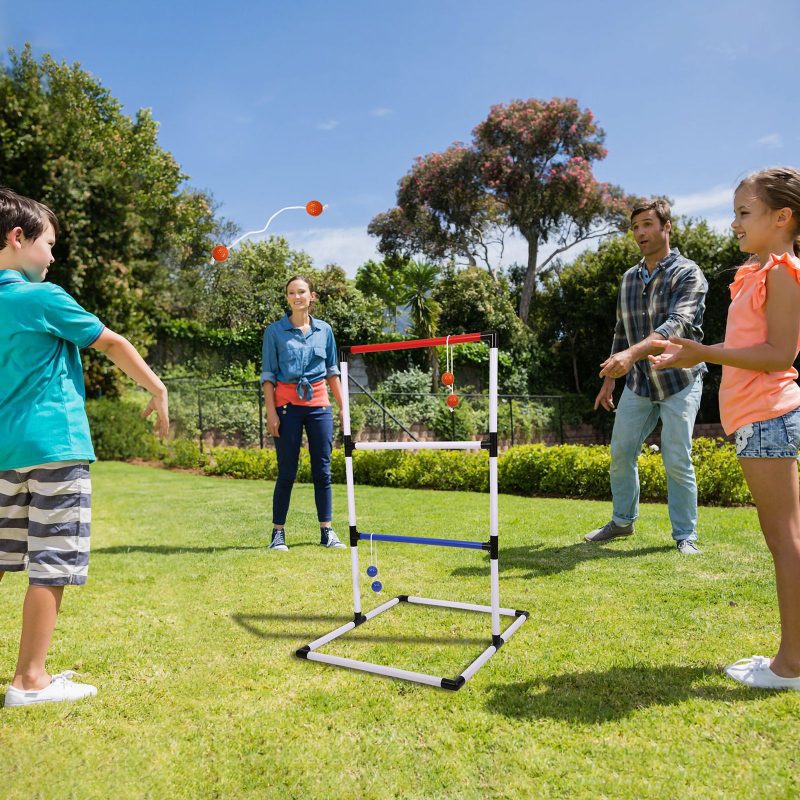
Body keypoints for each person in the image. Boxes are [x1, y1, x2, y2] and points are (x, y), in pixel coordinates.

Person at [0, 187, 169, 708]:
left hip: (4, 453)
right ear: (17, 237)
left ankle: (32, 672)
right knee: (51, 563)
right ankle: (31, 680)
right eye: (48, 244)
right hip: (54, 446)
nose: (53, 256)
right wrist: (157, 388)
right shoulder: (42, 298)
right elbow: (113, 342)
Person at [650, 167, 800, 690]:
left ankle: (791, 664)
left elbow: (780, 352)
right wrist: (692, 352)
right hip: (755, 418)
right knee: (783, 539)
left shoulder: (782, 270)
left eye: (744, 212)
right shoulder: (757, 271)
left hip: (769, 415)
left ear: (782, 217)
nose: (734, 222)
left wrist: (702, 352)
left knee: (785, 541)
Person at [585, 199, 708, 554]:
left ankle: (685, 535)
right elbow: (621, 331)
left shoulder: (688, 273)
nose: (640, 232)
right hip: (638, 383)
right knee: (621, 452)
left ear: (666, 227)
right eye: (636, 226)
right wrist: (610, 377)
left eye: (648, 224)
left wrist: (632, 354)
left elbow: (676, 326)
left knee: (676, 455)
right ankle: (622, 521)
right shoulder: (628, 278)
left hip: (679, 381)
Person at [261, 276, 345, 552]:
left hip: (320, 406)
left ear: (312, 296)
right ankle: (278, 534)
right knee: (287, 471)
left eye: (301, 292)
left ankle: (327, 531)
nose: (296, 297)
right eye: (291, 293)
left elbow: (333, 372)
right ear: (287, 298)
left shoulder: (325, 331)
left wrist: (344, 408)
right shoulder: (274, 332)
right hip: (286, 408)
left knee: (323, 471)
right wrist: (271, 413)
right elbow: (269, 376)